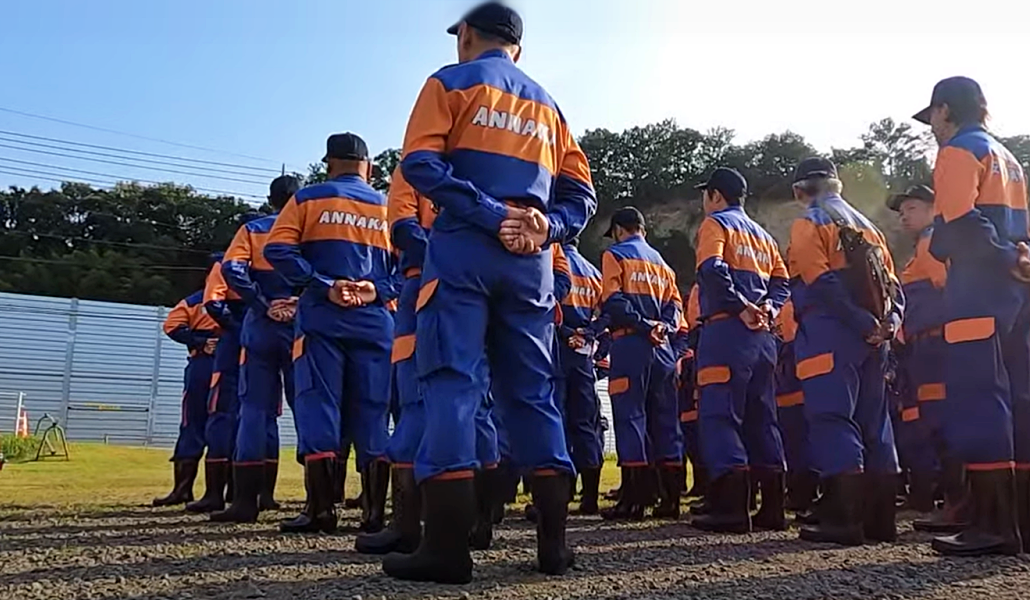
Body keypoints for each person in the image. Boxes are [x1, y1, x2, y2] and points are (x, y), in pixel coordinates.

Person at [382, 1, 596, 584]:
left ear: (468, 35)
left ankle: (447, 549)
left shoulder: (448, 82)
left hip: (464, 251)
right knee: (532, 393)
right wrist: (543, 226)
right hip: (532, 262)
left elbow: (419, 166)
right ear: (518, 49)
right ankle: (554, 546)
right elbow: (582, 197)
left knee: (452, 382)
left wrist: (486, 212)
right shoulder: (550, 107)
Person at [913, 77, 1030, 556]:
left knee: (979, 400)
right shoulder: (1010, 159)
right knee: (1019, 399)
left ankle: (992, 526)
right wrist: (1017, 261)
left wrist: (995, 255)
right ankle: (1020, 522)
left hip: (977, 288)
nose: (932, 129)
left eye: (933, 119)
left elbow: (959, 223)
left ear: (945, 111)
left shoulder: (958, 151)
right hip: (1017, 291)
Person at [265, 132, 400, 535]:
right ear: (370, 168)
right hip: (376, 319)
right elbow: (412, 263)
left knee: (319, 404)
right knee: (374, 410)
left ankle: (321, 510)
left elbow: (278, 251)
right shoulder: (390, 207)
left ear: (328, 164)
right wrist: (375, 289)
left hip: (322, 317)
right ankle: (374, 514)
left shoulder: (307, 200)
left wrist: (324, 284)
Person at [786, 157, 905, 546]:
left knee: (832, 418)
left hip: (831, 333)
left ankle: (843, 518)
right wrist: (888, 324)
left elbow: (818, 282)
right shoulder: (871, 229)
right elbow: (893, 288)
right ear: (836, 185)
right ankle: (881, 521)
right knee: (876, 423)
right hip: (875, 339)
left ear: (800, 191)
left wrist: (859, 322)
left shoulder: (810, 223)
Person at [690, 168, 789, 534]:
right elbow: (782, 281)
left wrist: (739, 306)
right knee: (763, 418)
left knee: (720, 416)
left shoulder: (716, 225)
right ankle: (773, 510)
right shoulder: (764, 237)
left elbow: (713, 270)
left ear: (715, 196)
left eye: (706, 195)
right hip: (763, 337)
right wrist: (769, 309)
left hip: (727, 330)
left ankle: (731, 510)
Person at [212, 175, 302, 523]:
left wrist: (260, 303)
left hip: (261, 325)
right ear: (299, 199)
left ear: (270, 198)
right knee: (308, 406)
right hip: (299, 325)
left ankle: (245, 502)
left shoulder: (252, 230)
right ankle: (319, 502)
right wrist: (295, 301)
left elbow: (231, 269)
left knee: (253, 410)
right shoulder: (307, 229)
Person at [598, 206, 683, 522]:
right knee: (665, 421)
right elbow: (675, 305)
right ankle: (670, 500)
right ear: (642, 229)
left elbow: (614, 301)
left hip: (631, 343)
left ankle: (633, 502)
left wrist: (645, 325)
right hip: (662, 347)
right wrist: (662, 327)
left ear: (620, 229)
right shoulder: (663, 265)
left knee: (630, 418)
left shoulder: (615, 256)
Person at [885, 185, 954, 522]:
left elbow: (950, 291)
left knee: (939, 420)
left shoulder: (932, 244)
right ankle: (929, 496)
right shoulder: (920, 249)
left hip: (935, 346)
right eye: (902, 211)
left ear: (932, 209)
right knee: (922, 421)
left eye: (911, 208)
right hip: (919, 347)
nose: (904, 216)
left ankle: (953, 501)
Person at [186, 243, 251, 514]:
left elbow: (213, 303)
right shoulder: (283, 253)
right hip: (272, 336)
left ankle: (215, 494)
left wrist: (235, 328)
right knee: (259, 415)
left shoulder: (229, 263)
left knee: (221, 413)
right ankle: (254, 495)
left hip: (231, 343)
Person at [153, 281, 220, 507]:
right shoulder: (244, 297)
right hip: (235, 365)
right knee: (231, 424)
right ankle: (234, 493)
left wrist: (199, 342)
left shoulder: (195, 300)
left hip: (202, 364)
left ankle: (182, 490)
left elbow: (171, 325)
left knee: (192, 422)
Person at [558, 237, 605, 515]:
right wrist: (587, 334)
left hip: (556, 348)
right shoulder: (594, 273)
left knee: (557, 421)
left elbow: (545, 306)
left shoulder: (554, 264)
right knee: (586, 423)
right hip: (584, 355)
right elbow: (605, 314)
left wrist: (566, 334)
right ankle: (590, 497)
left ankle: (559, 497)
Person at [773, 299, 816, 519]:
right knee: (796, 443)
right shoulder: (787, 304)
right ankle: (800, 492)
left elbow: (790, 346)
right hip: (788, 385)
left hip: (794, 384)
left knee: (799, 443)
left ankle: (802, 494)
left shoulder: (791, 306)